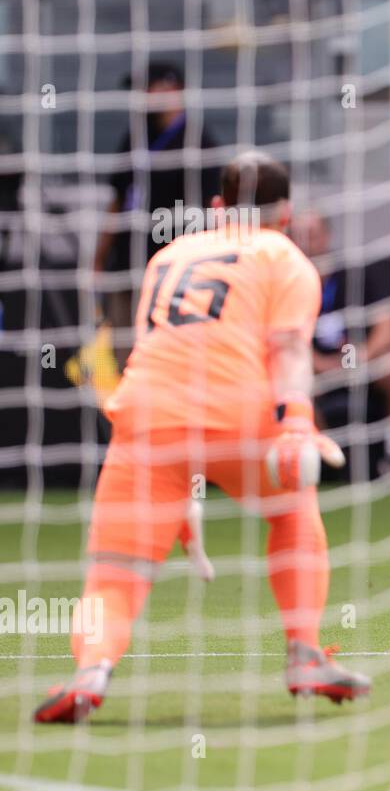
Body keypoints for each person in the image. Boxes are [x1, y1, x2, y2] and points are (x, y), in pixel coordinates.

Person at [36, 152, 371, 723]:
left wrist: (182, 482)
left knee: (114, 567)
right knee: (294, 510)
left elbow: (148, 348)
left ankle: (90, 672)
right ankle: (304, 653)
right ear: (285, 213)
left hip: (145, 414)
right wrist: (295, 423)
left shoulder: (168, 254)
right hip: (239, 409)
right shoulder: (284, 257)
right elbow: (288, 350)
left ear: (216, 207)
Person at [96, 62, 221, 370]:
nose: (143, 96)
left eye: (148, 87)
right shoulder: (139, 135)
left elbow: (211, 210)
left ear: (171, 88)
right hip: (126, 266)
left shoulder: (198, 142)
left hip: (171, 274)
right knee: (126, 358)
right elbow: (118, 198)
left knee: (162, 358)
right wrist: (99, 257)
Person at [290, 209, 390, 477]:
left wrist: (363, 356)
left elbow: (386, 328)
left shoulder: (356, 274)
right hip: (314, 370)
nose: (306, 244)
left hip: (362, 365)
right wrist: (321, 364)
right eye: (299, 237)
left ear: (326, 237)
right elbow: (285, 338)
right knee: (291, 384)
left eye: (312, 236)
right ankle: (325, 461)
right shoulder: (288, 283)